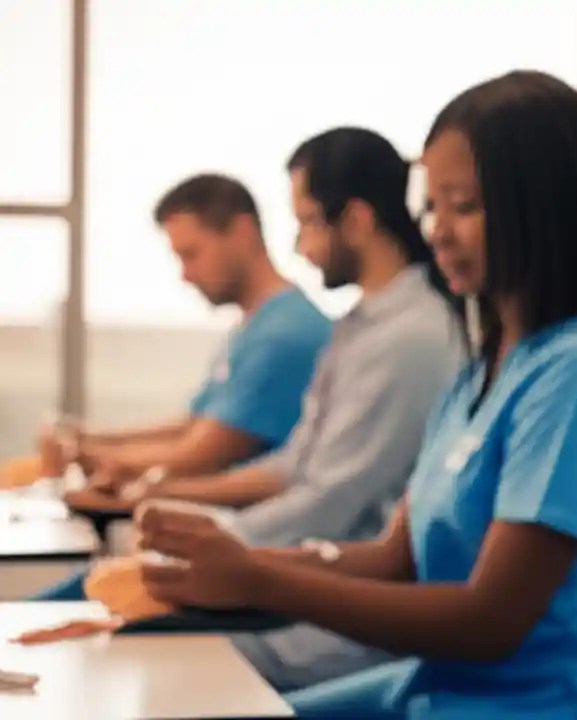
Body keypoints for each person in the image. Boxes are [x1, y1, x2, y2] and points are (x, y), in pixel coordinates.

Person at [135, 70, 577, 720]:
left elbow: (489, 622)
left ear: (545, 206)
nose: (437, 230)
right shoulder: (484, 372)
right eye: (431, 206)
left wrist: (257, 578)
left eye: (465, 206)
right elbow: (397, 557)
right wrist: (223, 561)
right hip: (445, 688)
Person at [36, 128, 467, 690]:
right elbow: (295, 465)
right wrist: (178, 512)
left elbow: (329, 502)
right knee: (102, 606)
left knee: (119, 633)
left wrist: (209, 543)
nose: (297, 246)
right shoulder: (363, 325)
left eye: (309, 221)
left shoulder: (411, 337)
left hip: (341, 601)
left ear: (356, 220)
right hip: (304, 564)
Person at [53, 174, 331, 498]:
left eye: (191, 254)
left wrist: (95, 456)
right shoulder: (255, 326)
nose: (185, 275)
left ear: (242, 232)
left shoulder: (285, 335)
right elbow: (195, 424)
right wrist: (92, 440)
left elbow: (203, 453)